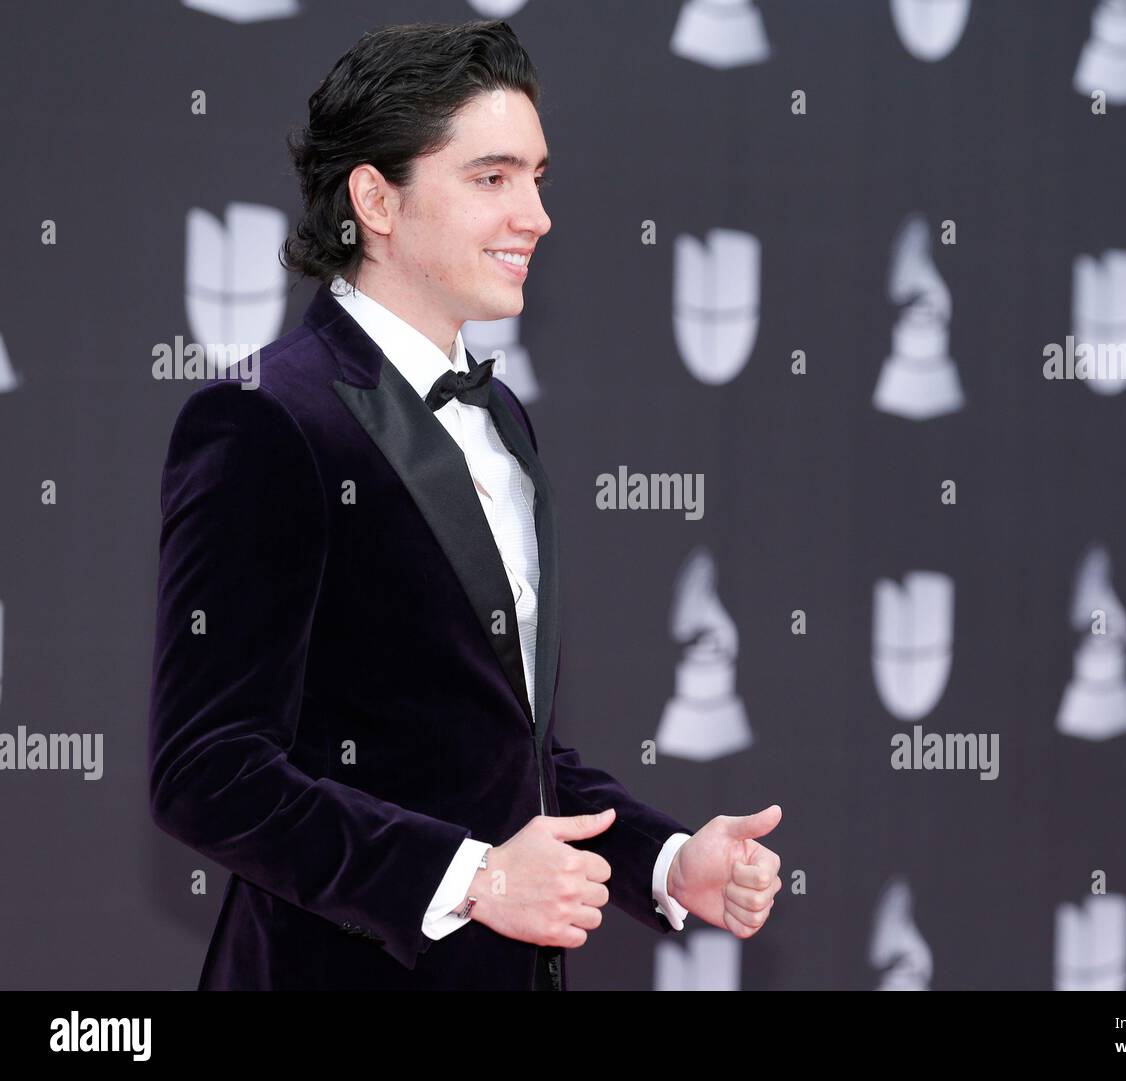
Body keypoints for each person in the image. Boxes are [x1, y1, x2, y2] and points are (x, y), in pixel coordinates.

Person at [147, 19, 781, 991]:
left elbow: (495, 744)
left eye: (537, 176)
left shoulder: (502, 421)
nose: (535, 213)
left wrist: (664, 858)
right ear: (376, 199)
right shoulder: (266, 420)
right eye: (491, 178)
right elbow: (209, 772)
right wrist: (474, 878)